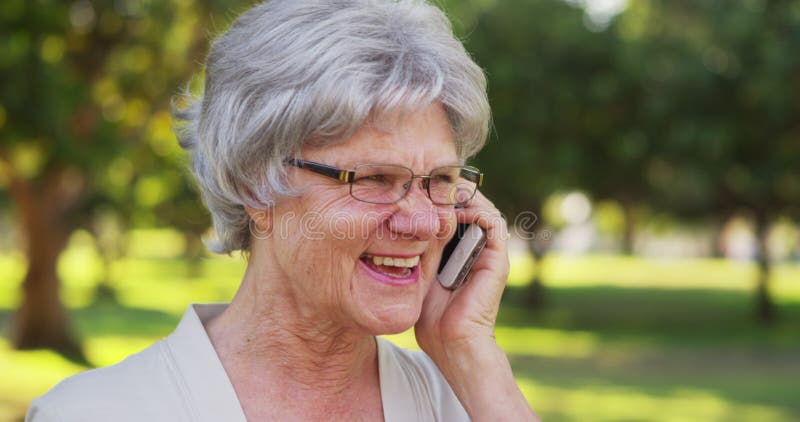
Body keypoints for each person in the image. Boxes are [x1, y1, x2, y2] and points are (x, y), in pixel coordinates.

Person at [26, 0, 538, 420]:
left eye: (441, 181)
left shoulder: (467, 402)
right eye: (376, 179)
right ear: (255, 185)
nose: (425, 222)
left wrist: (471, 355)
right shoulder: (97, 412)